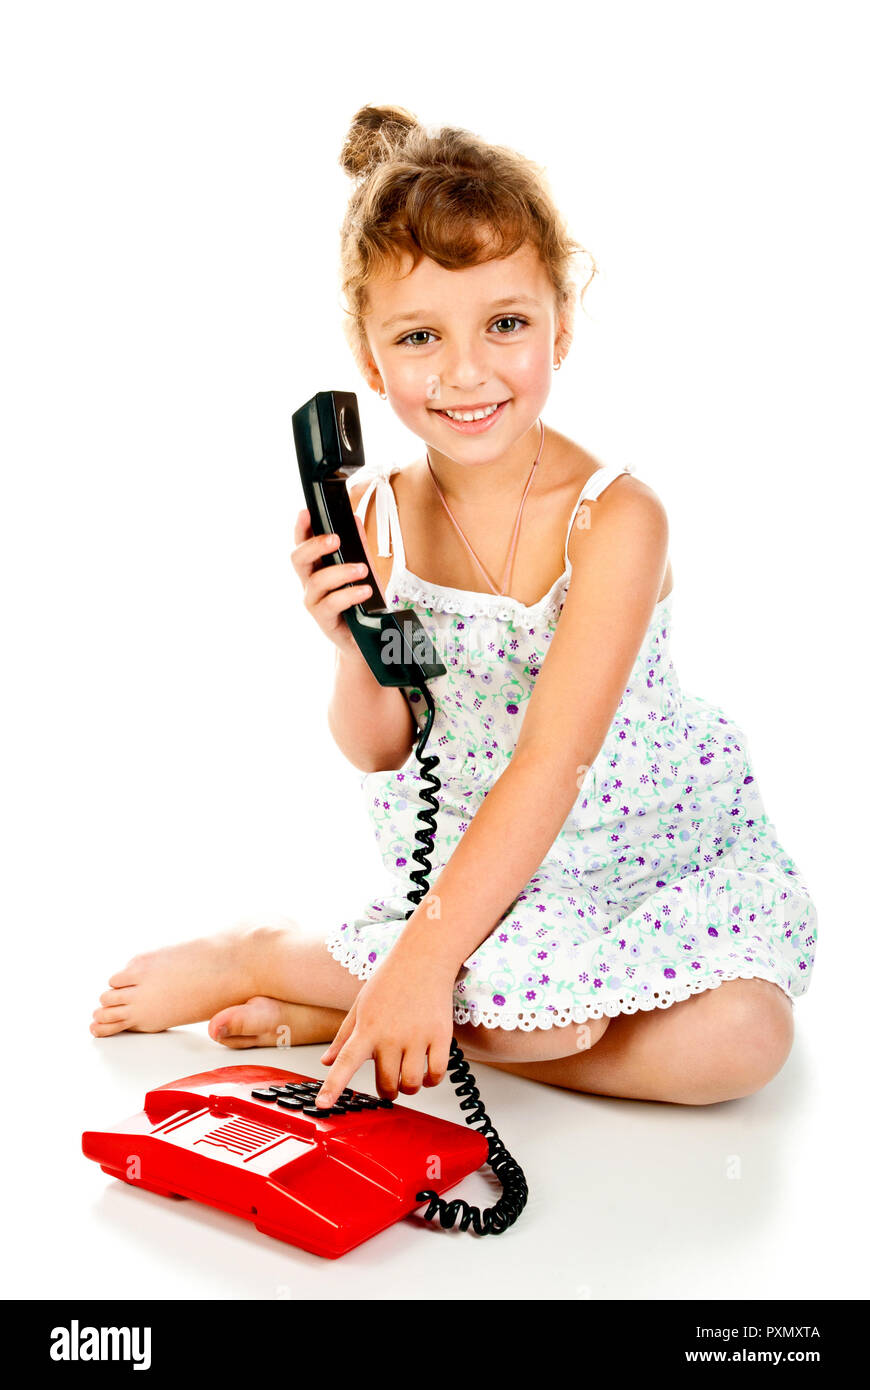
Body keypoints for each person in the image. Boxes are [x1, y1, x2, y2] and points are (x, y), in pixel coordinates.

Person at [90, 104, 817, 1109]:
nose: (466, 372)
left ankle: (327, 986)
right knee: (557, 1015)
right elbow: (382, 748)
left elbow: (552, 762)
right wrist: (350, 644)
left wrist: (425, 965)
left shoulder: (616, 520)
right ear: (369, 358)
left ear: (561, 321)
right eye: (421, 335)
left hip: (627, 843)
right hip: (477, 859)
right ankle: (307, 967)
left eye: (506, 324)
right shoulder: (378, 513)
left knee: (745, 1041)